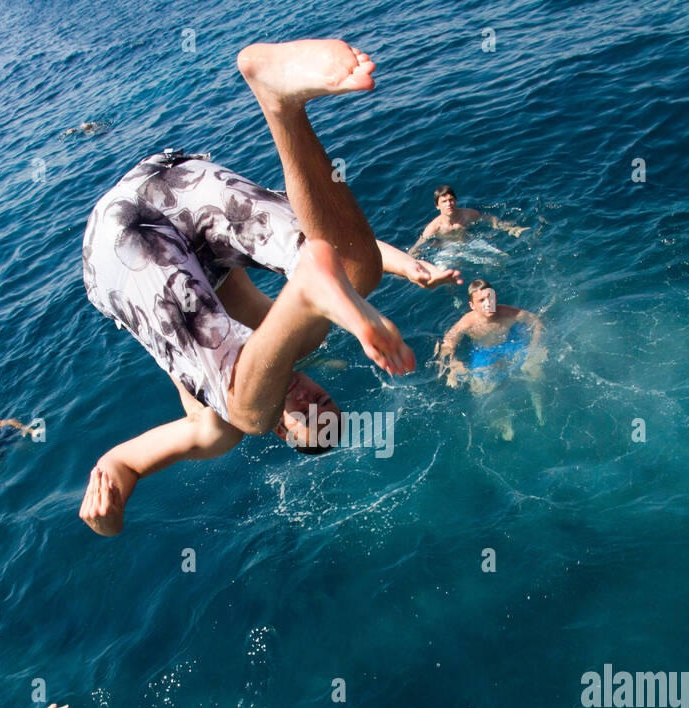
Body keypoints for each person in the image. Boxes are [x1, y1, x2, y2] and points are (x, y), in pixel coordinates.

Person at [78, 39, 460, 537]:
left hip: (119, 248)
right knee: (354, 271)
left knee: (243, 411)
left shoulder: (215, 429)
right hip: (164, 182)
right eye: (323, 400)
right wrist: (406, 265)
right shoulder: (283, 335)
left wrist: (106, 520)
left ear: (285, 431)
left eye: (304, 415)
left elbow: (122, 463)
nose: (309, 399)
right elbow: (328, 249)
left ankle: (311, 286)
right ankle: (280, 103)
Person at [436, 279, 546, 438]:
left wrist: (534, 347)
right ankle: (502, 423)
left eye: (491, 298)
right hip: (484, 351)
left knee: (533, 368)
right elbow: (448, 342)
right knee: (480, 388)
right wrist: (453, 364)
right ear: (472, 305)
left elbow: (536, 322)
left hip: (510, 343)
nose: (488, 303)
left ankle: (540, 407)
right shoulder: (467, 322)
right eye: (481, 300)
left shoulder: (508, 313)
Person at [408, 185, 527, 255]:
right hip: (448, 248)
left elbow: (489, 219)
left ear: (456, 200)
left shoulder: (468, 215)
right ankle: (454, 296)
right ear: (437, 206)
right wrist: (410, 259)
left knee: (502, 256)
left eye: (451, 200)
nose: (449, 204)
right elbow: (419, 245)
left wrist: (511, 228)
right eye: (444, 201)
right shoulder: (433, 228)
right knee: (444, 275)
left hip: (470, 241)